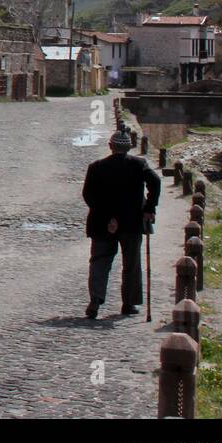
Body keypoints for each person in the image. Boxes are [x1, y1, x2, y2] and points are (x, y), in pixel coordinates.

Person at [81, 128, 161, 319]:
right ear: (129, 147)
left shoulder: (96, 167)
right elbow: (156, 182)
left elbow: (88, 195)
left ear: (110, 146)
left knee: (99, 261)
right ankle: (129, 303)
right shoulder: (138, 164)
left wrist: (108, 217)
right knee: (131, 263)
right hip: (131, 222)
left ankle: (95, 300)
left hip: (102, 223)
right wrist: (149, 208)